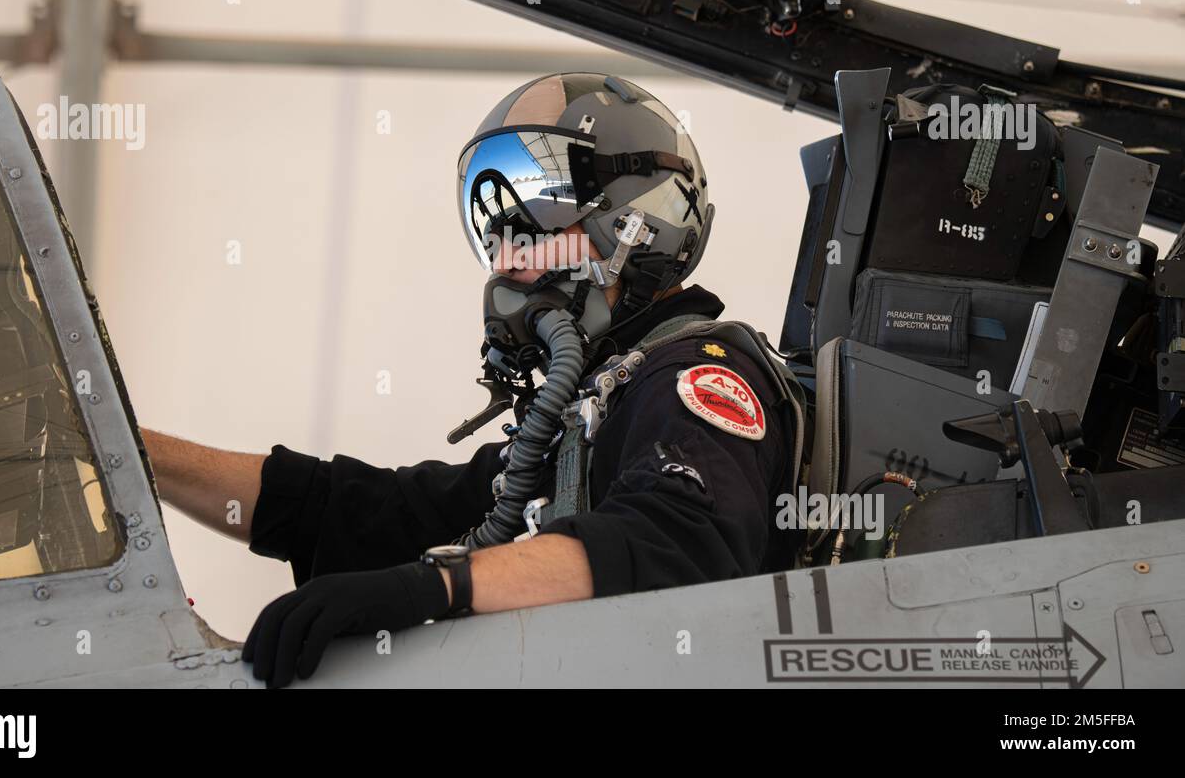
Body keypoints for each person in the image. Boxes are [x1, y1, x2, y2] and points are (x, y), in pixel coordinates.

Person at [144, 73, 804, 687]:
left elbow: (668, 544)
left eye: (534, 232)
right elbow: (368, 511)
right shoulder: (585, 419)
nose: (505, 267)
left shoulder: (699, 375)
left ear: (633, 226)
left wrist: (436, 586)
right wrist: (139, 457)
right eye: (499, 240)